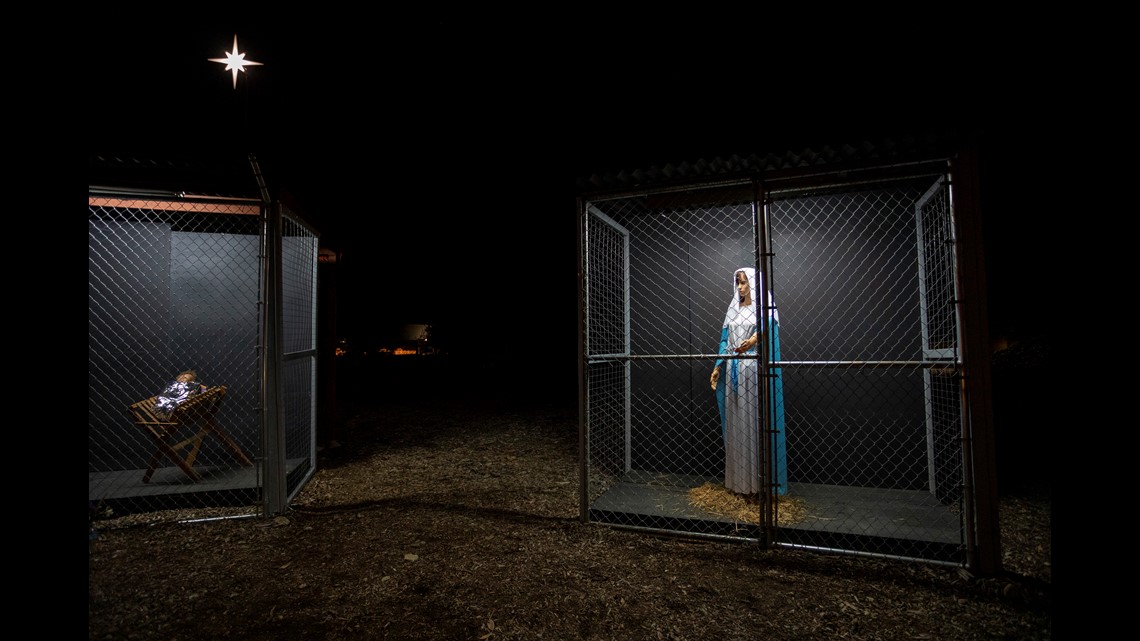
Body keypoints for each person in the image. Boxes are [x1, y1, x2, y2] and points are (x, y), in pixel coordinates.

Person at [709, 267, 787, 496]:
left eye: (744, 282)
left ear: (754, 284)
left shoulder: (764, 310)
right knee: (736, 424)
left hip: (752, 370)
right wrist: (718, 366)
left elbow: (767, 331)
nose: (740, 287)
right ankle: (739, 483)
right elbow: (725, 340)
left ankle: (758, 485)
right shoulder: (733, 310)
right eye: (737, 283)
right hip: (734, 368)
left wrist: (754, 339)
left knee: (753, 420)